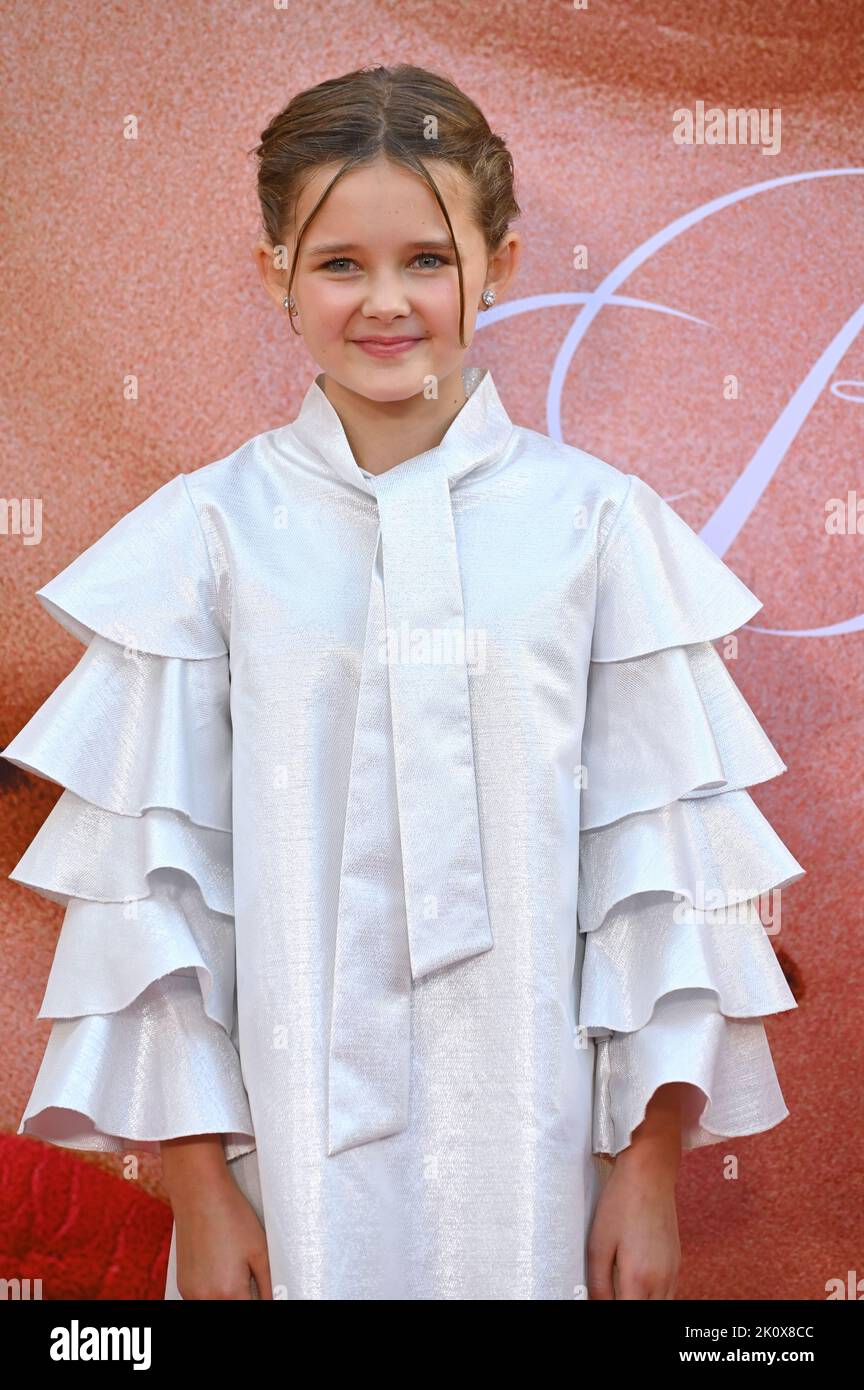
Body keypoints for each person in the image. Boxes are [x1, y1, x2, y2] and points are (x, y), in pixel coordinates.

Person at [3, 63, 805, 1302]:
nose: (387, 302)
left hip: (547, 1157)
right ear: (275, 271)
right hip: (285, 1160)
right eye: (339, 264)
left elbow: (667, 872)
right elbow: (147, 899)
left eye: (428, 260)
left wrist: (647, 1165)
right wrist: (199, 1185)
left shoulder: (598, 529)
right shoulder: (204, 539)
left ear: (501, 265)